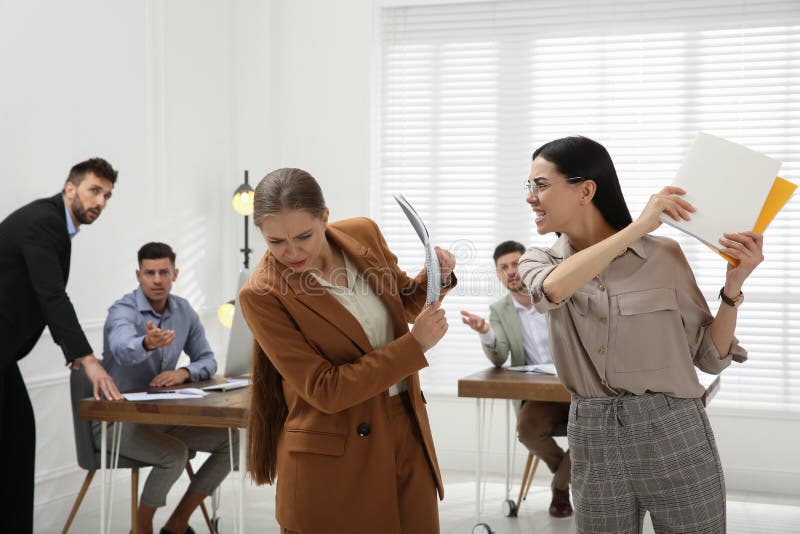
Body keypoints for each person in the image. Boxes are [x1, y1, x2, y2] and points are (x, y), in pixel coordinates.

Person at [516, 135, 762, 533]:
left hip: (673, 430)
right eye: (529, 186)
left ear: (586, 190)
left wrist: (733, 287)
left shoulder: (664, 256)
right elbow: (553, 291)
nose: (530, 197)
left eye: (540, 184)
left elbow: (709, 357)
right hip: (594, 435)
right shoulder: (538, 260)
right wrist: (639, 227)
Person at [238, 168, 456, 534]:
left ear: (325, 217)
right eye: (276, 242)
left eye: (304, 236)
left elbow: (400, 304)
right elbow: (325, 388)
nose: (292, 252)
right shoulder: (262, 294)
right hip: (332, 457)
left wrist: (436, 278)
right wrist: (414, 345)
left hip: (405, 428)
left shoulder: (362, 234)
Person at [0, 157, 123, 532]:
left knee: (17, 441)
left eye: (107, 195)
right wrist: (86, 358)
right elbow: (51, 295)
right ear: (70, 188)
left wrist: (69, 348)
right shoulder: (44, 223)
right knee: (14, 443)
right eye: (94, 190)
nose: (100, 201)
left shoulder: (55, 224)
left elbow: (41, 295)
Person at [98, 242, 237, 534]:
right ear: (138, 275)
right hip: (116, 422)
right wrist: (147, 343)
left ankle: (177, 523)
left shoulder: (184, 310)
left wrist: (184, 372)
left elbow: (208, 359)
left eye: (164, 272)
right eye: (150, 273)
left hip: (160, 419)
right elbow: (121, 348)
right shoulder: (122, 311)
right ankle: (142, 527)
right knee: (173, 455)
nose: (157, 279)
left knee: (233, 442)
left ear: (175, 273)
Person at [460, 240, 572, 517]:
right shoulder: (500, 310)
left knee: (590, 430)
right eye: (503, 267)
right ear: (498, 274)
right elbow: (499, 357)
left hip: (576, 388)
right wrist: (486, 332)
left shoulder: (556, 293)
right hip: (540, 395)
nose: (511, 271)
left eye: (516, 264)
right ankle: (566, 477)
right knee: (527, 429)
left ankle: (560, 489)